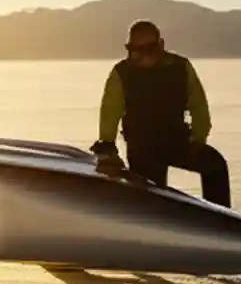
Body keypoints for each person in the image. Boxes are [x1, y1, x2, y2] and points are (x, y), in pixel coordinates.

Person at [90, 20, 231, 207]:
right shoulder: (121, 73)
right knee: (152, 194)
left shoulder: (180, 67)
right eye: (136, 49)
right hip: (142, 147)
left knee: (214, 164)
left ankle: (220, 218)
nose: (143, 55)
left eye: (150, 48)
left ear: (161, 45)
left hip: (176, 140)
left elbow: (198, 106)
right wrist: (107, 147)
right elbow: (110, 111)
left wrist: (198, 140)